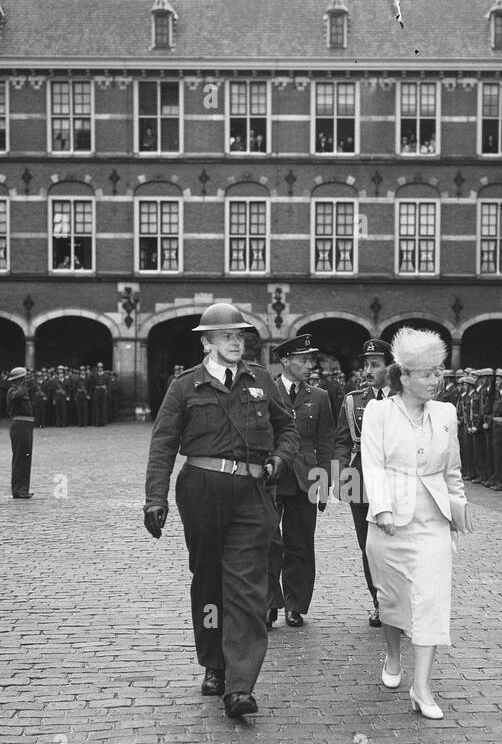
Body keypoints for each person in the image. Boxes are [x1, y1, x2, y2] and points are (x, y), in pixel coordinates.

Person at [143, 301, 299, 721]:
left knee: (248, 587)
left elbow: (288, 429)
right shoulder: (185, 387)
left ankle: (240, 685)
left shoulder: (261, 381)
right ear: (207, 341)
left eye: (241, 335)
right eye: (227, 336)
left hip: (252, 492)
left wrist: (281, 459)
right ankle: (214, 662)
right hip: (202, 491)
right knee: (209, 580)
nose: (236, 342)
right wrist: (154, 498)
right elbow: (163, 445)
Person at [362, 327, 473, 720]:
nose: (435, 379)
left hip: (432, 522)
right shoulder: (379, 411)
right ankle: (393, 655)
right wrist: (383, 507)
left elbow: (453, 469)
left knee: (430, 599)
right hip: (390, 520)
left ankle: (421, 687)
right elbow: (372, 464)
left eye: (438, 371)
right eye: (426, 373)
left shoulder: (446, 414)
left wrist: (458, 504)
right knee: (392, 598)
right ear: (404, 376)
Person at [266, 334, 334, 628]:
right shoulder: (266, 392)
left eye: (311, 360)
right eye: (303, 359)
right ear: (285, 361)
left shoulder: (319, 397)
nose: (309, 365)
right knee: (267, 542)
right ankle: (269, 603)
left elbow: (327, 441)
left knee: (300, 544)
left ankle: (295, 605)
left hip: (306, 480)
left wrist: (325, 483)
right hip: (272, 477)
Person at [334, 338, 395, 628]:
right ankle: (379, 603)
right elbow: (342, 441)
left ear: (390, 367)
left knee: (398, 545)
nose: (368, 370)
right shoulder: (354, 400)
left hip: (397, 481)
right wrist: (339, 475)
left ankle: (400, 603)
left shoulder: (404, 398)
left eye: (375, 364)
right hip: (360, 480)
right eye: (366, 364)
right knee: (369, 546)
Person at [7, 366, 35, 499]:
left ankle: (23, 488)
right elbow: (18, 396)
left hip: (26, 425)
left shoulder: (23, 390)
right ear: (19, 380)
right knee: (20, 458)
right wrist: (23, 385)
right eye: (24, 379)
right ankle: (18, 489)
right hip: (19, 426)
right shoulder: (12, 391)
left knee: (26, 458)